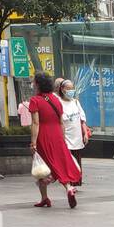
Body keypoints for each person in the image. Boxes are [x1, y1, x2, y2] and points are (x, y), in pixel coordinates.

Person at [27, 71, 81, 208]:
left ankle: (45, 197)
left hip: (43, 135)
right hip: (57, 135)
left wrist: (33, 142)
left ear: (38, 84)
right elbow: (61, 122)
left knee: (41, 167)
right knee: (59, 163)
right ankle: (68, 188)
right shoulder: (56, 100)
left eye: (34, 82)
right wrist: (62, 139)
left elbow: (36, 123)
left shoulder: (35, 100)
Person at [57, 77, 89, 185]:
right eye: (68, 89)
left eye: (72, 88)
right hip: (66, 137)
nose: (71, 91)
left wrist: (85, 133)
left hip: (77, 138)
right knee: (68, 161)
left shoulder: (75, 102)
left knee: (77, 160)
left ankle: (76, 181)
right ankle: (69, 182)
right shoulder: (59, 103)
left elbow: (82, 119)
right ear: (62, 89)